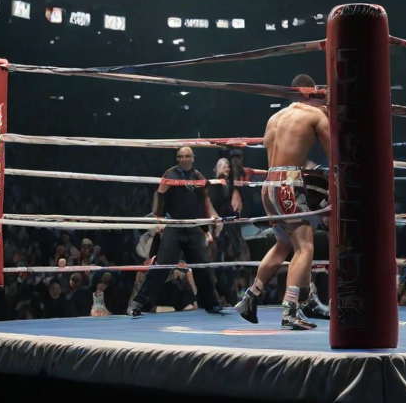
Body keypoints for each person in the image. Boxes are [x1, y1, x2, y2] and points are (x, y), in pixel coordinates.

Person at [236, 74, 331, 329]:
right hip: (289, 184)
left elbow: (272, 148)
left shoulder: (275, 118)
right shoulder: (316, 116)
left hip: (269, 185)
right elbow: (338, 156)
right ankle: (290, 310)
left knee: (283, 243)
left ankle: (250, 297)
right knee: (305, 246)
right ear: (311, 93)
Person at [127, 146, 223, 317]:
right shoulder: (170, 175)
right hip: (174, 225)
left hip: (193, 226)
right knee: (162, 266)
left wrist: (214, 217)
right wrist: (158, 217)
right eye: (182, 156)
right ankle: (138, 302)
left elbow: (206, 201)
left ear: (193, 158)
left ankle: (211, 304)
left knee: (202, 266)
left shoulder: (199, 177)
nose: (185, 159)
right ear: (177, 158)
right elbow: (159, 195)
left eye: (188, 156)